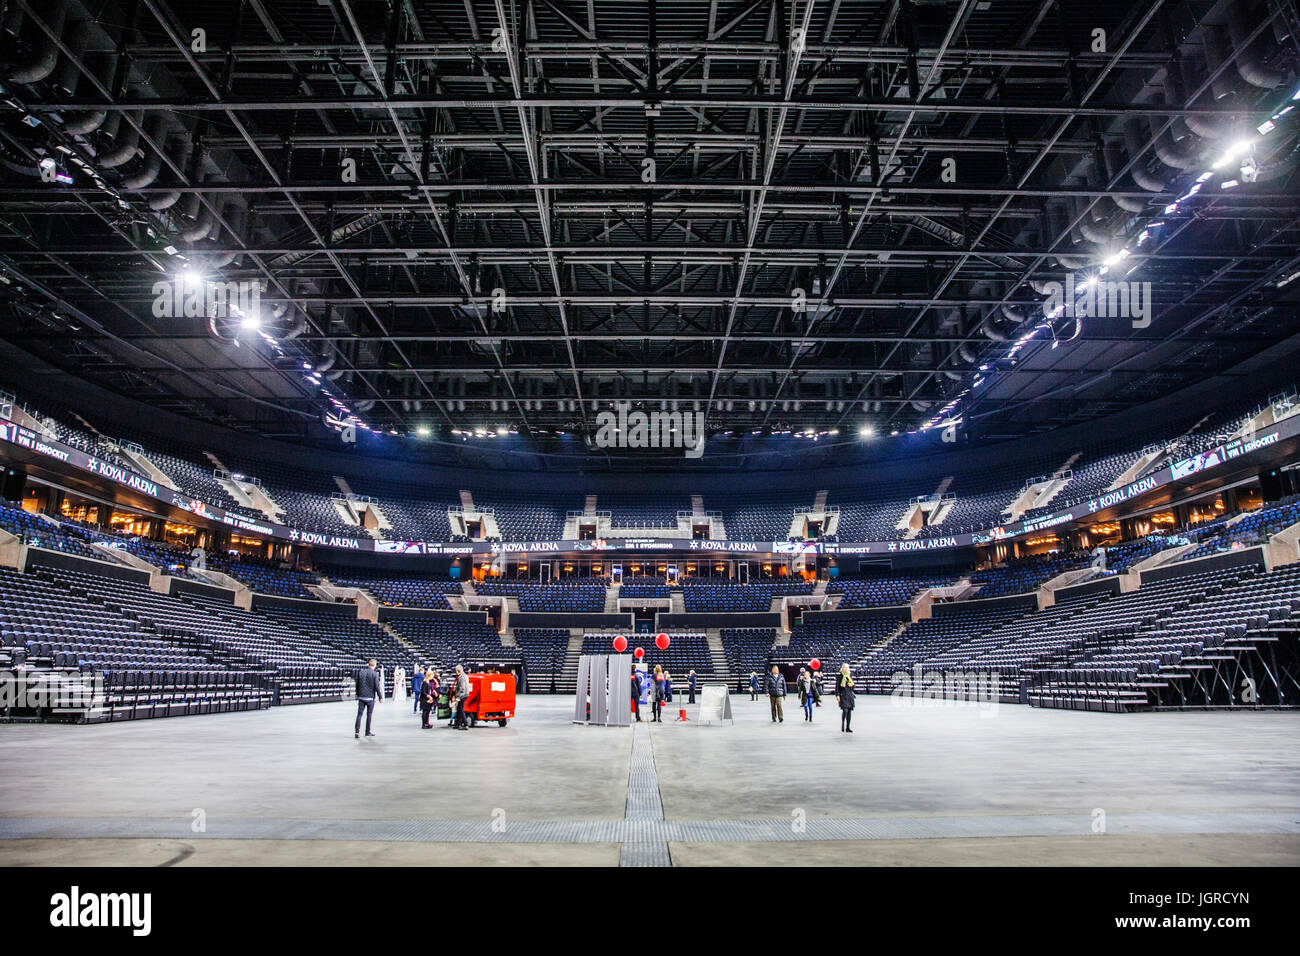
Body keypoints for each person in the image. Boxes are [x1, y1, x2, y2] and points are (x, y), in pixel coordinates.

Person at [354, 658, 382, 738]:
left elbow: (357, 684)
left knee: (359, 714)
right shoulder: (374, 674)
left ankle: (357, 731)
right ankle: (367, 731)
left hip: (361, 696)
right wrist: (380, 697)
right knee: (369, 715)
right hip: (370, 697)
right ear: (374, 665)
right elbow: (377, 686)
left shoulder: (361, 672)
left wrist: (357, 694)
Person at [836, 663, 856, 733]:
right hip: (843, 695)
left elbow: (853, 686)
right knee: (845, 710)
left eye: (847, 667)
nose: (845, 668)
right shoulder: (840, 676)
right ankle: (843, 724)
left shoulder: (850, 675)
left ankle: (848, 727)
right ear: (842, 668)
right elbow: (837, 687)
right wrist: (837, 695)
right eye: (844, 667)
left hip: (850, 695)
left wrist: (852, 685)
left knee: (849, 711)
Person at [451, 665, 470, 730]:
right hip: (464, 694)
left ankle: (465, 724)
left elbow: (462, 688)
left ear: (458, 671)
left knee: (461, 709)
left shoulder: (462, 677)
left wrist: (458, 697)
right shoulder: (463, 676)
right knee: (459, 709)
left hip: (462, 695)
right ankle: (458, 723)